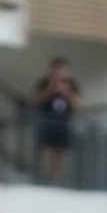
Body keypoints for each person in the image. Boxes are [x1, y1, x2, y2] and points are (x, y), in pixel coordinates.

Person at [31, 57, 81, 185]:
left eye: (63, 70)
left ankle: (57, 180)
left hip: (63, 125)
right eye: (57, 70)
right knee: (46, 153)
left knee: (60, 154)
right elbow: (37, 101)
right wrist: (51, 89)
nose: (60, 73)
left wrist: (65, 91)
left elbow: (76, 105)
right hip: (47, 124)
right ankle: (45, 179)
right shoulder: (45, 83)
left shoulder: (72, 85)